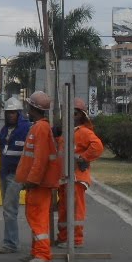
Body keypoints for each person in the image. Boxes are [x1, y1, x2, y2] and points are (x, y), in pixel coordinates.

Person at [15, 91, 61, 262]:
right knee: (34, 216)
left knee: (38, 217)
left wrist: (32, 181)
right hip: (37, 183)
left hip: (38, 183)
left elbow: (40, 159)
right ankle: (37, 251)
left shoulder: (40, 128)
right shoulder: (39, 126)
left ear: (32, 107)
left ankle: (42, 253)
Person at [56, 97, 104, 248]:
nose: (71, 116)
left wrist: (84, 158)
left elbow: (97, 147)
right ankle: (64, 237)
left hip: (76, 178)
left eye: (75, 113)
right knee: (64, 209)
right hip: (65, 178)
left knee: (75, 209)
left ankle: (76, 239)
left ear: (81, 116)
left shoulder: (83, 132)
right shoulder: (67, 133)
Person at [0, 97, 31, 254]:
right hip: (4, 173)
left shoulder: (26, 129)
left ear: (19, 113)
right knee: (7, 208)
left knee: (10, 208)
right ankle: (10, 241)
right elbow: (1, 149)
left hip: (17, 175)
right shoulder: (4, 130)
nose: (10, 116)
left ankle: (11, 243)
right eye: (8, 113)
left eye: (13, 113)